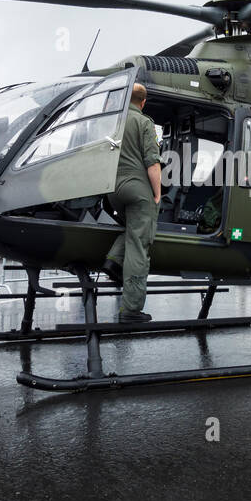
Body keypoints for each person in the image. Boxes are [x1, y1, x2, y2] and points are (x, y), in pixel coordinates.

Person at [102, 82, 162, 322]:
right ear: (143, 102)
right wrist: (157, 194)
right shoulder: (144, 122)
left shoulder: (113, 123)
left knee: (132, 229)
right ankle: (131, 309)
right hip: (137, 189)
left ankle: (114, 261)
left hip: (113, 190)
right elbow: (152, 162)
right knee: (140, 243)